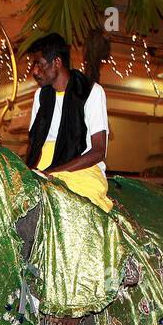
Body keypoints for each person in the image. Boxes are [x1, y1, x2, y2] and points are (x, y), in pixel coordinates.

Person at [23, 33, 111, 212]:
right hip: (41, 169)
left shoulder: (92, 92)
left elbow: (98, 151)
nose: (35, 71)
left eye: (39, 64)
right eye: (34, 64)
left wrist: (55, 173)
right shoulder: (40, 96)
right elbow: (33, 145)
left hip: (82, 170)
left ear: (57, 62)